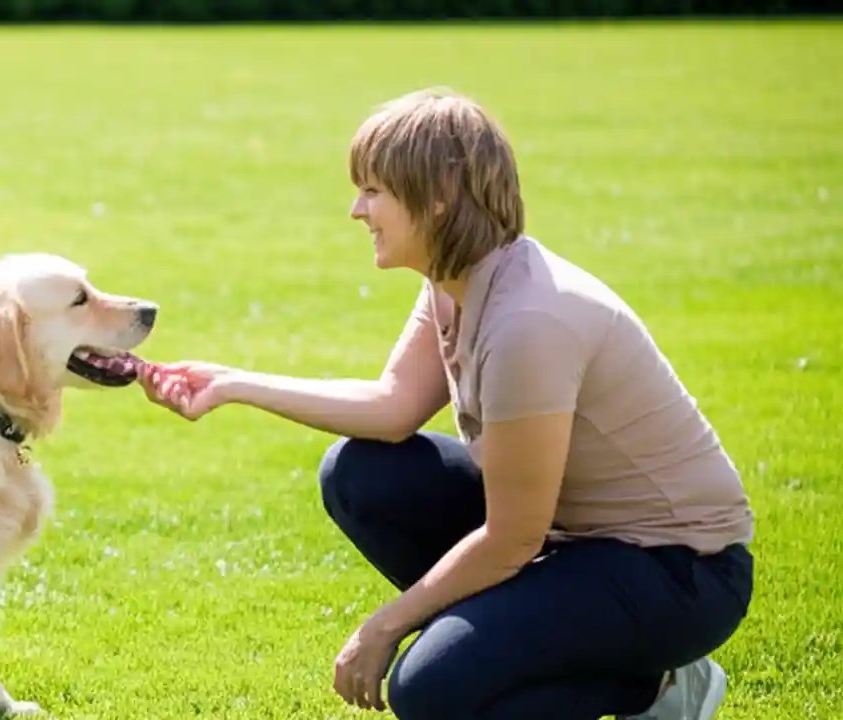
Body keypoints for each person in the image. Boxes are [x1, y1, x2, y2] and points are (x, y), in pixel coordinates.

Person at [137, 88, 754, 720]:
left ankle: (657, 685)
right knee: (360, 475)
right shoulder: (453, 284)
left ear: (438, 196)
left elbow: (513, 539)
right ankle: (532, 649)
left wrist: (385, 626)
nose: (357, 210)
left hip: (678, 573)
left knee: (430, 691)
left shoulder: (530, 321)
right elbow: (392, 405)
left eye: (374, 190)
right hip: (577, 542)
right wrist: (233, 384)